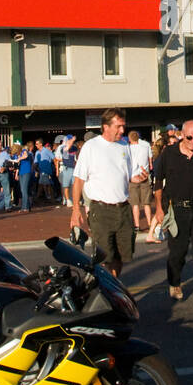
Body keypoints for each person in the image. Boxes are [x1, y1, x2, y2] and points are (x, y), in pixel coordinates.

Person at [153, 120, 193, 310]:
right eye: (189, 137)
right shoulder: (169, 154)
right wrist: (159, 208)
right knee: (177, 253)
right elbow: (158, 182)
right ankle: (174, 282)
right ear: (181, 135)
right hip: (176, 210)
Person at [72, 110, 144, 277]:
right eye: (118, 126)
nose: (122, 130)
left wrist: (139, 178)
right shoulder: (91, 147)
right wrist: (76, 210)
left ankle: (113, 284)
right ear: (106, 126)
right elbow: (78, 181)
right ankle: (106, 291)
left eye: (123, 126)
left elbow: (129, 175)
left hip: (123, 208)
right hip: (101, 210)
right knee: (104, 256)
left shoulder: (124, 145)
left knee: (121, 255)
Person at [126, 130, 155, 236]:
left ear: (129, 138)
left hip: (133, 177)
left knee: (135, 204)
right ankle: (149, 223)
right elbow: (150, 160)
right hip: (144, 176)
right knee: (146, 203)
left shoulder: (127, 148)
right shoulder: (146, 145)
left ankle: (137, 225)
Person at [15, 141, 33, 212]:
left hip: (26, 172)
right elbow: (18, 165)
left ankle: (25, 207)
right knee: (23, 190)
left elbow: (26, 156)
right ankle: (26, 206)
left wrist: (20, 158)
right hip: (21, 172)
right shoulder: (18, 154)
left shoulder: (24, 151)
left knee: (24, 189)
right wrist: (16, 174)